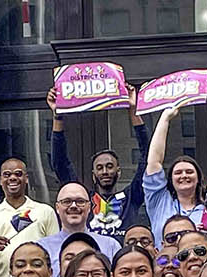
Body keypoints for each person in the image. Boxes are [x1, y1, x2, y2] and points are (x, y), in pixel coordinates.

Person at [46, 89, 150, 237]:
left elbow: (147, 157)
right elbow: (60, 164)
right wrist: (58, 116)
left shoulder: (131, 198)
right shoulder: (83, 200)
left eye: (109, 166)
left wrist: (133, 110)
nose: (105, 172)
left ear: (118, 172)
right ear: (94, 175)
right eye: (99, 168)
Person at [0, 157, 58, 275]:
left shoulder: (45, 212)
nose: (12, 178)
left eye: (18, 174)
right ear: (0, 180)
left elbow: (54, 253)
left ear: (26, 179)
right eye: (7, 174)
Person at [143, 107, 207, 227]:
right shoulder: (160, 202)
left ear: (198, 177)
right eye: (178, 172)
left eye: (189, 172)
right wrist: (165, 118)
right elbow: (154, 161)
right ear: (171, 180)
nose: (184, 175)